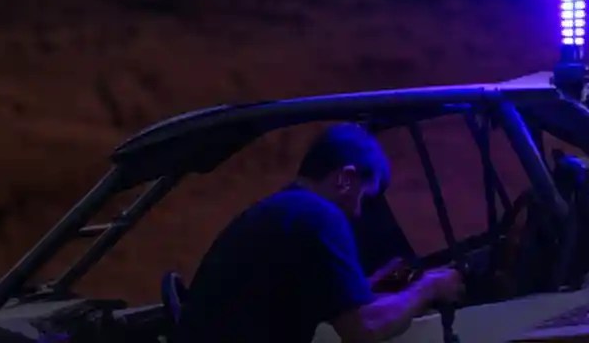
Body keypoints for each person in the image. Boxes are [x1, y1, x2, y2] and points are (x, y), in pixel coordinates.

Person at [172, 123, 465, 343]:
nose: (359, 213)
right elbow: (363, 328)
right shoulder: (320, 216)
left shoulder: (286, 211)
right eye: (365, 197)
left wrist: (369, 288)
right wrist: (430, 287)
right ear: (345, 179)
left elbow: (310, 300)